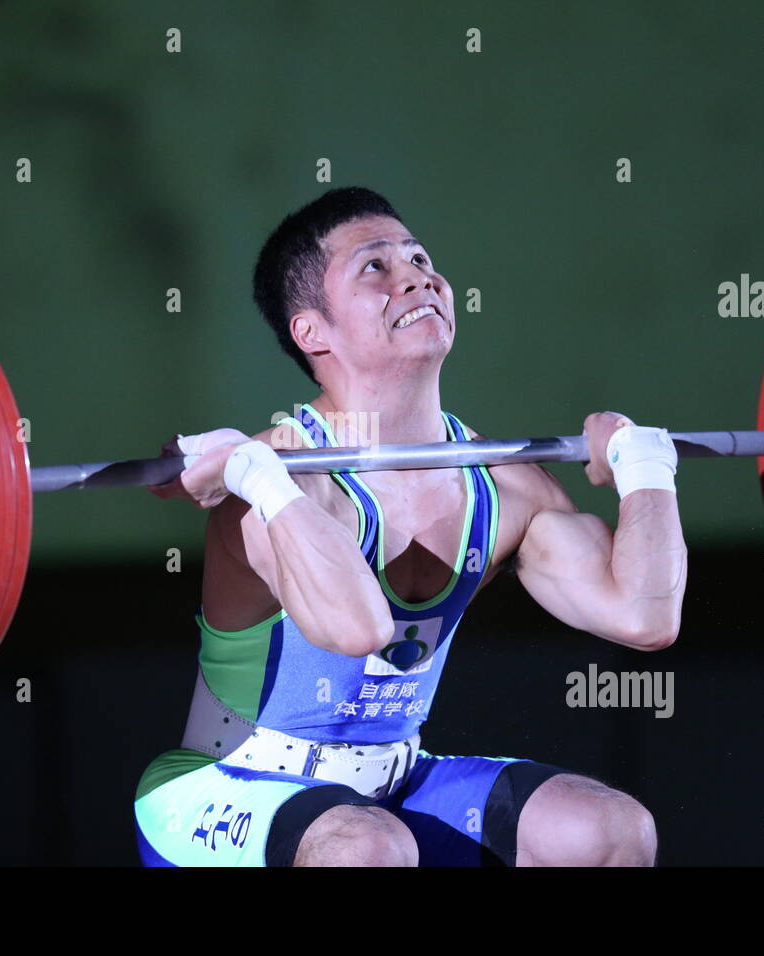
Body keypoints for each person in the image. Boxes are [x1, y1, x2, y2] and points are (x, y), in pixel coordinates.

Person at [133, 186, 686, 866]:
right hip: (223, 788)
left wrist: (647, 470)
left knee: (610, 831)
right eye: (376, 267)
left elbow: (645, 615)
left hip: (394, 786)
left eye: (420, 259)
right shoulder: (279, 480)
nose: (417, 277)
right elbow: (357, 628)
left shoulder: (508, 486)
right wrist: (258, 474)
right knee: (367, 849)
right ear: (312, 330)